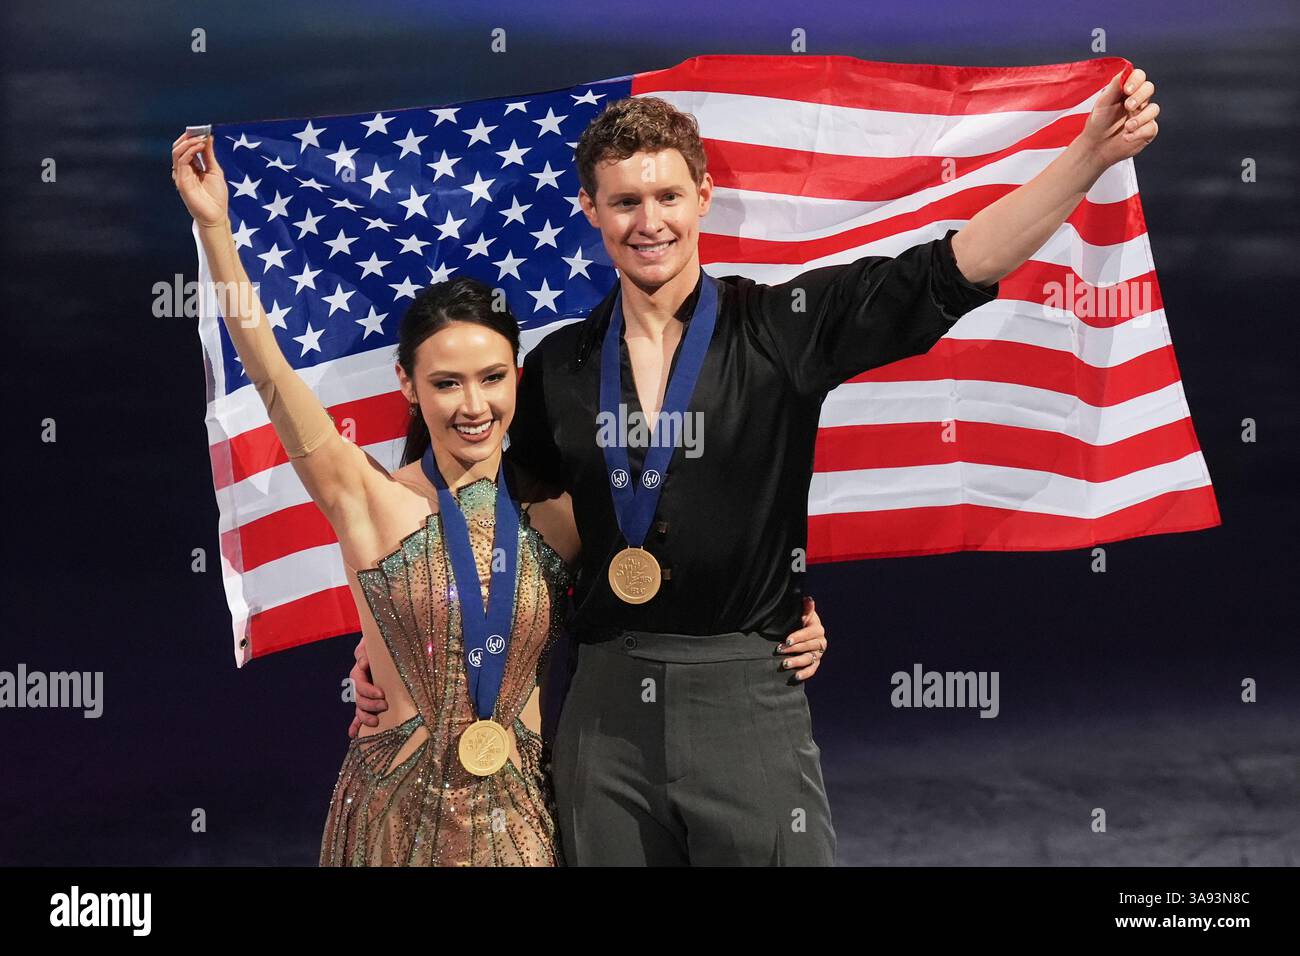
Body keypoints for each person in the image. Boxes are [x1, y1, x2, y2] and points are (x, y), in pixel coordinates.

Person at [353, 65, 1160, 865]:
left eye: (668, 197)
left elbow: (956, 266)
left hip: (745, 691)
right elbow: (459, 492)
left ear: (703, 197)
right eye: (626, 201)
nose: (649, 221)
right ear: (591, 211)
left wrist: (1088, 155)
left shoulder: (783, 330)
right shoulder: (559, 367)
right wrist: (380, 637)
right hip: (603, 709)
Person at [171, 128, 830, 866]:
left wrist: (786, 610)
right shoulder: (370, 500)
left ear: (518, 378)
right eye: (445, 383)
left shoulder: (560, 516)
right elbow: (271, 376)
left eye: (491, 377)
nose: (471, 404)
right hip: (392, 819)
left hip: (524, 823)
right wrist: (215, 229)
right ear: (407, 388)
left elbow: (700, 535)